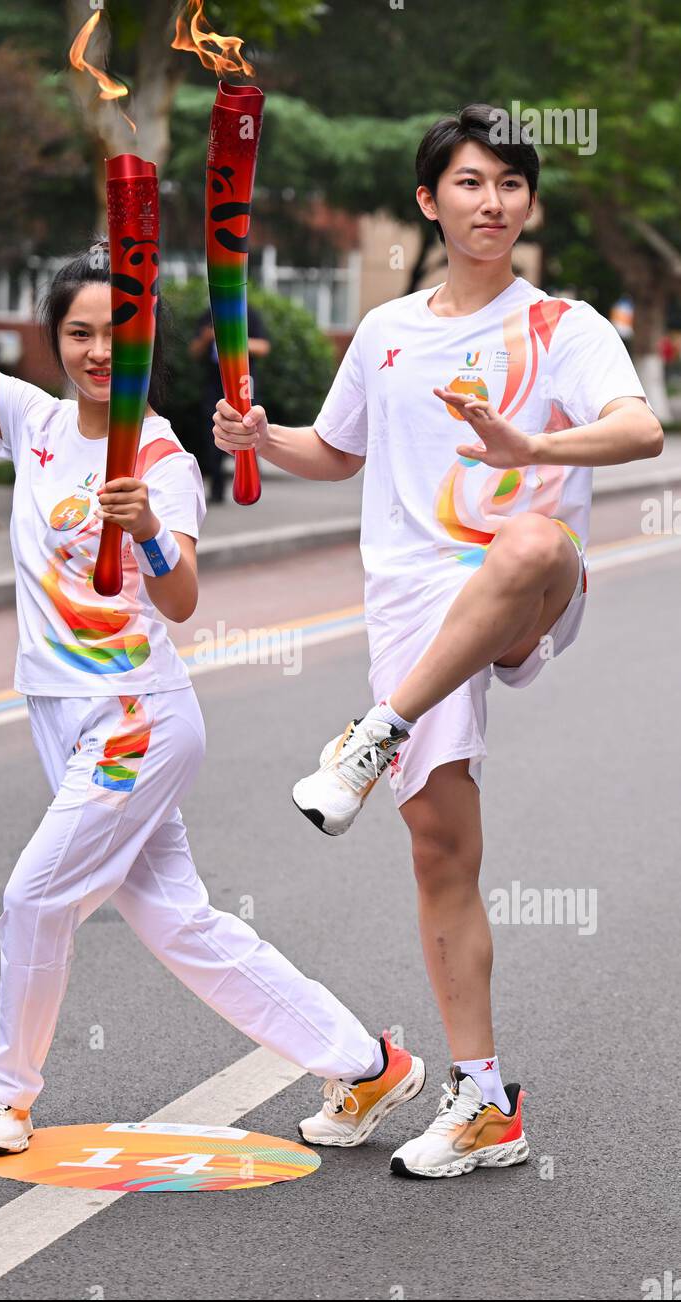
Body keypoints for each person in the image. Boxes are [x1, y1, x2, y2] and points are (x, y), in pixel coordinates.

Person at [0, 156, 428, 1158]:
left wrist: (150, 533)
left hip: (135, 715)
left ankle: (5, 1093)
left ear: (142, 332)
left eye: (113, 330)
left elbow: (181, 598)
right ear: (54, 339)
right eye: (74, 331)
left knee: (33, 896)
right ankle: (363, 1061)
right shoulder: (30, 423)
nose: (91, 349)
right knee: (178, 921)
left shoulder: (158, 455)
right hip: (56, 705)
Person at [214, 104, 663, 1180]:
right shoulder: (386, 333)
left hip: (525, 577)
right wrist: (257, 437)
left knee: (524, 540)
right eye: (469, 183)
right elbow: (334, 450)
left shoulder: (562, 326)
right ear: (428, 200)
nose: (491, 202)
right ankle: (482, 1098)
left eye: (509, 183)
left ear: (527, 202)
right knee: (439, 851)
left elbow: (640, 429)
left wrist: (534, 441)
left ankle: (371, 732)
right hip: (413, 604)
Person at [190, 303, 270, 503]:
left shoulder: (246, 312)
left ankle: (250, 482)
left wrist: (233, 339)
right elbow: (193, 350)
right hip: (215, 384)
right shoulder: (208, 315)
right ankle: (217, 488)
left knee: (249, 429)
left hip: (242, 383)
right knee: (214, 434)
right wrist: (207, 338)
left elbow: (263, 347)